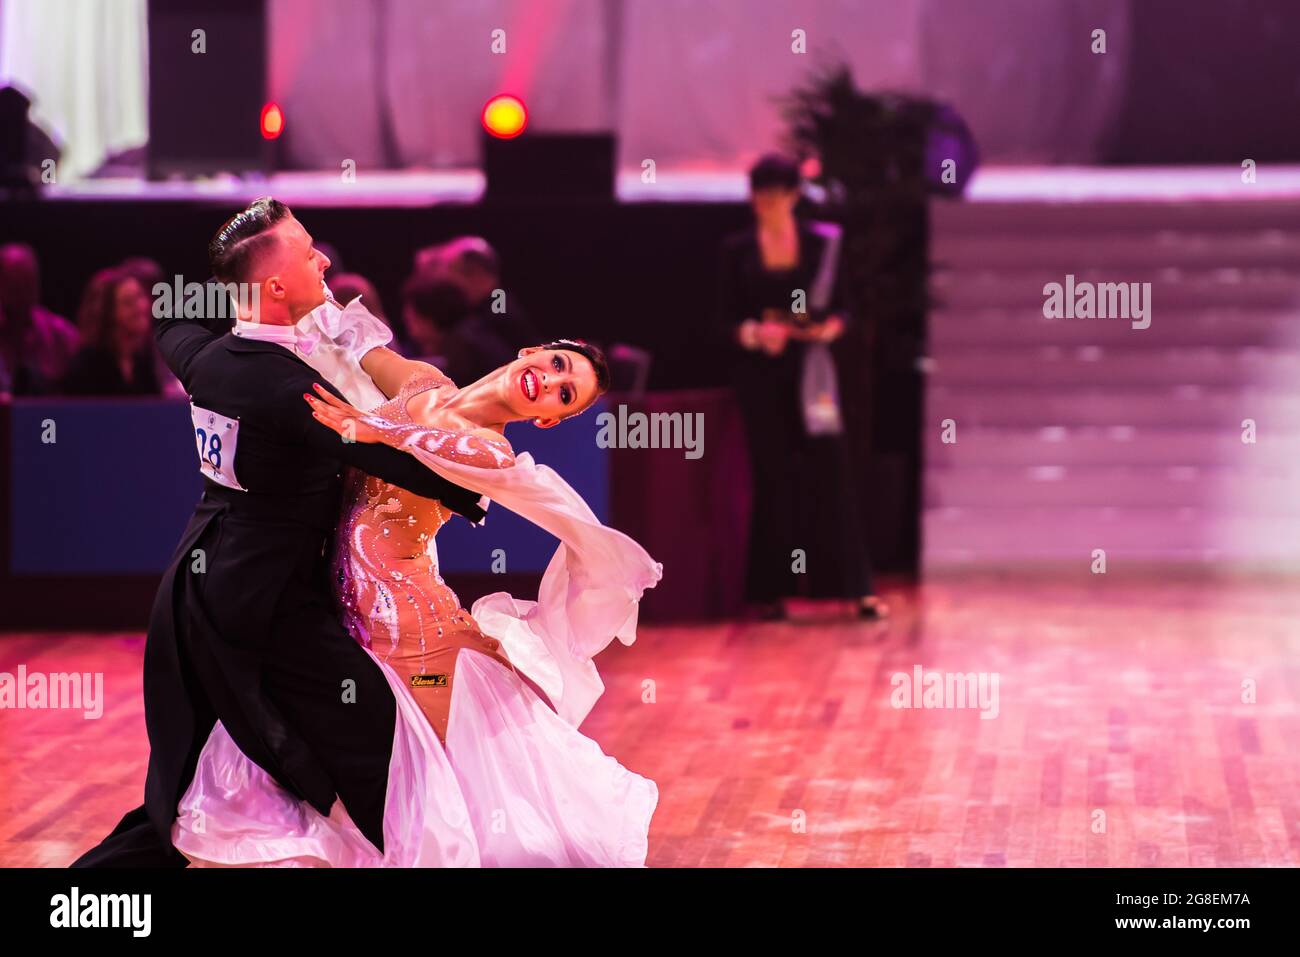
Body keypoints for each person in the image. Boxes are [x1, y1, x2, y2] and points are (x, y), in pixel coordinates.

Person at [70, 197, 486, 867]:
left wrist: (240, 287)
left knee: (197, 769)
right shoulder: (280, 384)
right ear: (274, 286)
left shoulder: (209, 358)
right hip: (264, 602)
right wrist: (477, 491)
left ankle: (95, 881)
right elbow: (377, 448)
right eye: (307, 251)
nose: (324, 258)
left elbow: (170, 312)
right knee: (374, 727)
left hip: (200, 587)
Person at [166, 331, 662, 866]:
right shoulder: (422, 381)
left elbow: (425, 441)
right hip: (339, 611)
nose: (552, 381)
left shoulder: (488, 449)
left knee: (436, 790)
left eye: (565, 395)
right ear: (532, 352)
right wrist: (308, 308)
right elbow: (356, 339)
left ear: (548, 419)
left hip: (413, 635)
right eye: (559, 365)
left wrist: (370, 427)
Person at [716, 153, 887, 621]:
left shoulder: (822, 244)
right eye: (760, 193)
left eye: (777, 193)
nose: (767, 202)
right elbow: (722, 320)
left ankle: (857, 590)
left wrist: (830, 328)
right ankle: (770, 592)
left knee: (832, 472)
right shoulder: (738, 249)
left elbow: (845, 310)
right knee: (773, 478)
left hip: (812, 372)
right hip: (762, 373)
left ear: (794, 195)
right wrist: (754, 333)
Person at [63, 267, 161, 396]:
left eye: (141, 297)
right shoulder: (87, 366)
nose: (141, 307)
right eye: (128, 302)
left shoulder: (143, 360)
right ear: (107, 313)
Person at [0, 242, 80, 394]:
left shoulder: (61, 334)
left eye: (26, 281)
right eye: (13, 282)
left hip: (50, 417)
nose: (21, 291)